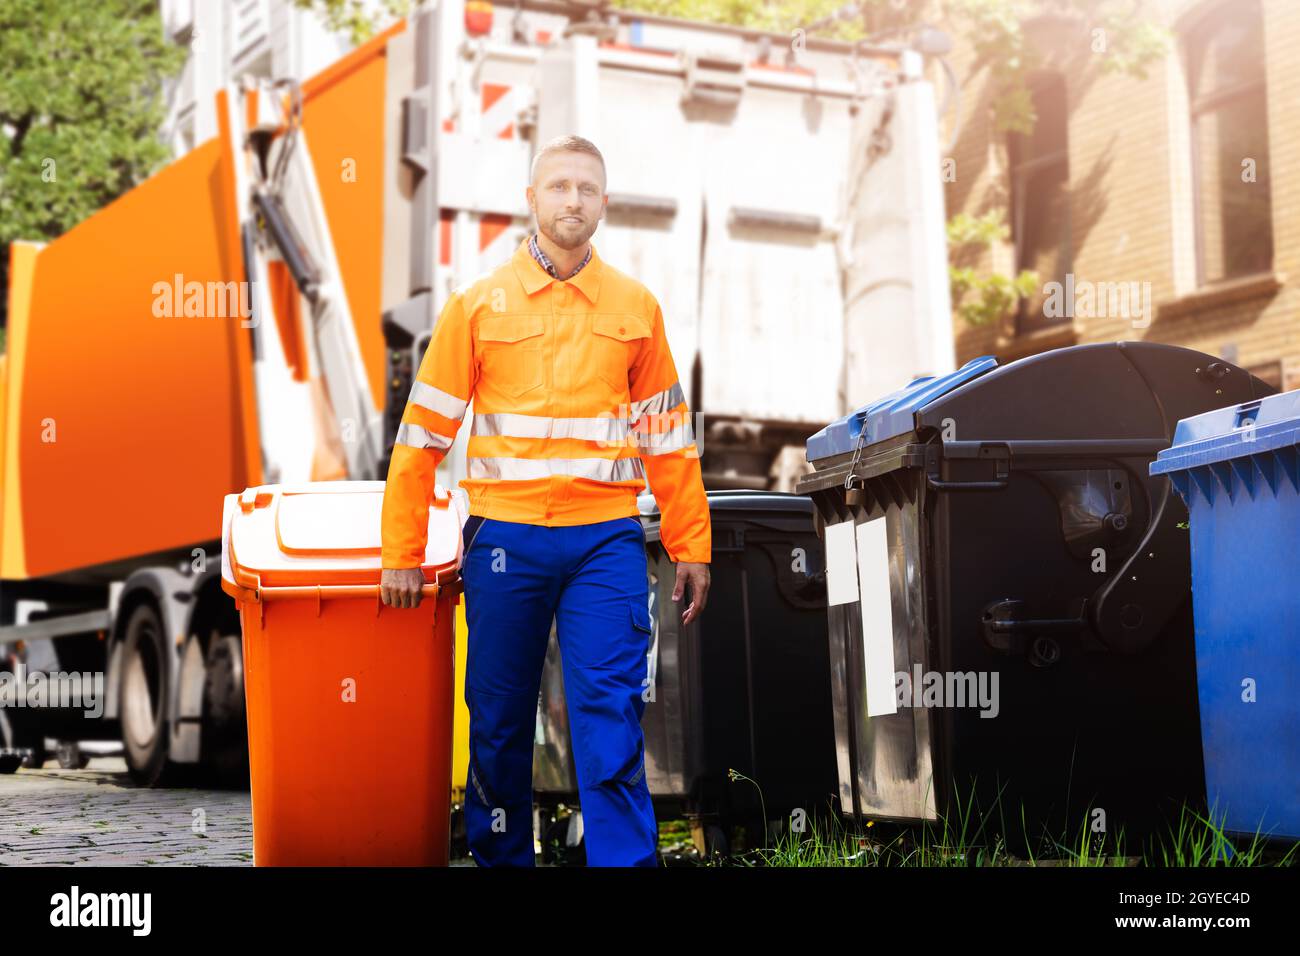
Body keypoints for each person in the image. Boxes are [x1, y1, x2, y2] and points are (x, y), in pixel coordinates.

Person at [379, 134, 711, 867]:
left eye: (587, 189)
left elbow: (668, 440)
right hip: (506, 539)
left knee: (611, 720)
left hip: (606, 542)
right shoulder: (479, 305)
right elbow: (420, 440)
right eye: (558, 187)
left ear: (603, 202)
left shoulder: (635, 307)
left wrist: (691, 544)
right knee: (497, 723)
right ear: (531, 200)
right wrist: (401, 551)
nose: (573, 201)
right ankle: (502, 861)